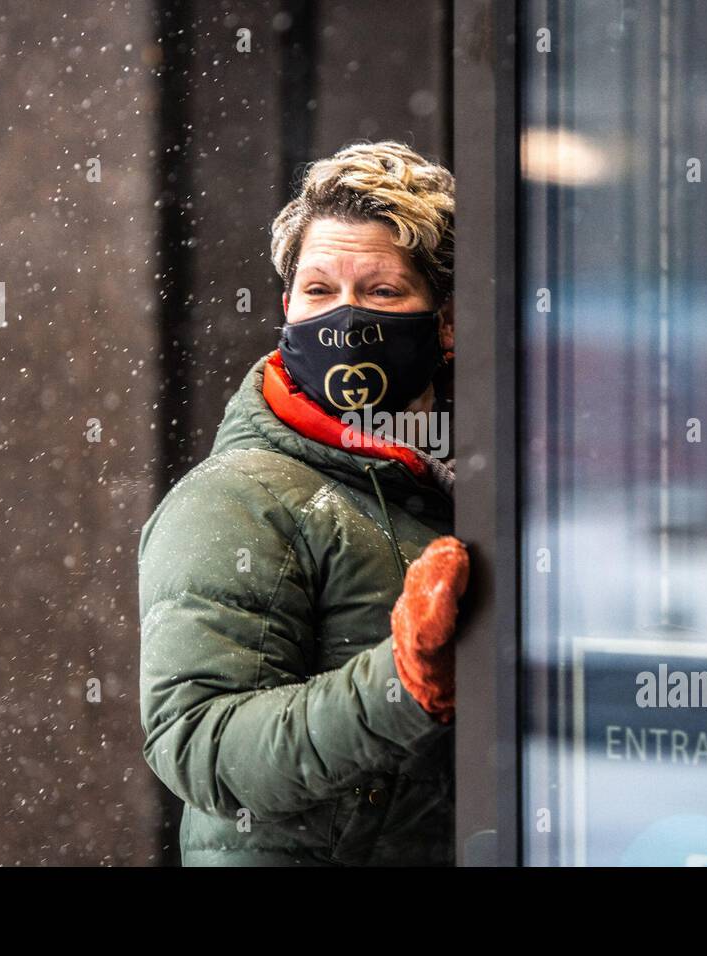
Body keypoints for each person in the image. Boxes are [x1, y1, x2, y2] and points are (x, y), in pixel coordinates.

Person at [138, 140, 470, 866]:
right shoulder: (237, 498)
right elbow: (198, 742)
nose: (346, 320)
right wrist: (401, 684)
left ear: (444, 324)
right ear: (287, 308)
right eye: (319, 291)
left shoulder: (463, 477)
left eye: (382, 292)